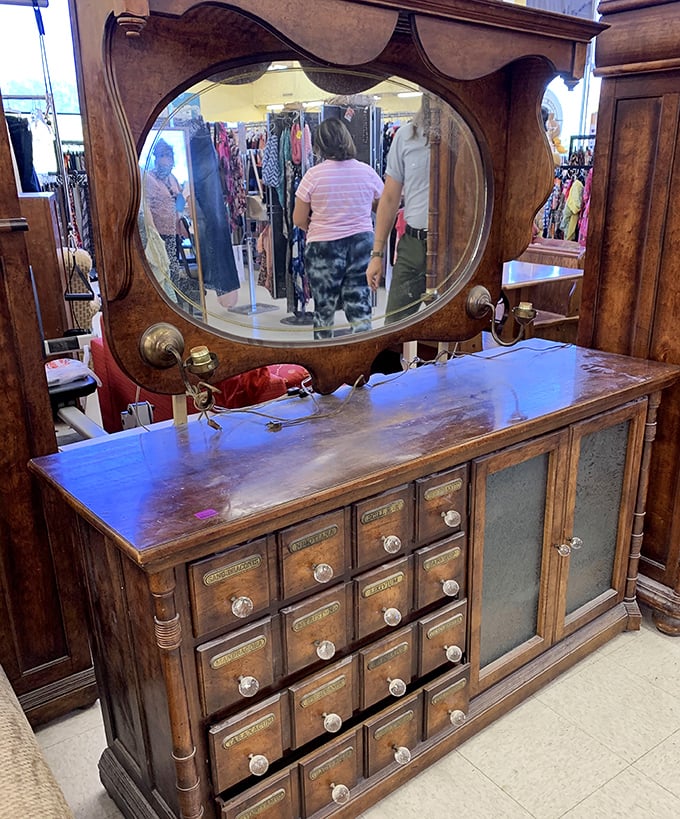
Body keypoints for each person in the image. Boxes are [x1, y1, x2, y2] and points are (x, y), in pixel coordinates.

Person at [293, 117, 384, 339]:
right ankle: (363, 364)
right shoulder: (367, 171)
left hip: (323, 246)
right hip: (362, 243)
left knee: (323, 311)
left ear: (320, 145)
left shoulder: (313, 175)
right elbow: (383, 209)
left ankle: (325, 365)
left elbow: (298, 218)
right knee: (360, 309)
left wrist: (318, 227)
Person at [366, 105, 430, 325]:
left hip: (458, 249)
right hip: (413, 246)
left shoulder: (468, 137)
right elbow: (390, 198)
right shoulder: (406, 136)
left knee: (457, 331)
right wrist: (377, 254)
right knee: (393, 329)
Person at [143, 138, 201, 313]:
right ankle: (168, 306)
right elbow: (145, 207)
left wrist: (179, 210)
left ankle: (175, 306)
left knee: (173, 268)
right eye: (163, 156)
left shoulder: (172, 178)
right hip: (157, 233)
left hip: (172, 231)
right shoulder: (148, 178)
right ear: (156, 158)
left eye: (169, 156)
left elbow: (179, 203)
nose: (167, 161)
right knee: (164, 270)